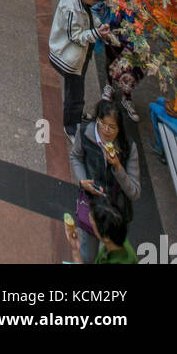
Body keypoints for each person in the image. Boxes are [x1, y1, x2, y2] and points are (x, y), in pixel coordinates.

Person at [69, 99, 141, 263]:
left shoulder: (128, 148)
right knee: (88, 254)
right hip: (92, 207)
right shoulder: (84, 133)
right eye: (102, 123)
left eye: (112, 127)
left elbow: (134, 192)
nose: (106, 130)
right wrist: (82, 181)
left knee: (112, 254)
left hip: (116, 215)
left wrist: (117, 167)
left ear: (119, 128)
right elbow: (76, 156)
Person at [48, 0, 105, 137]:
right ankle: (71, 126)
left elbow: (87, 18)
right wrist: (97, 33)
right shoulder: (72, 8)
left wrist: (98, 25)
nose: (95, 2)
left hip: (79, 56)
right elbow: (75, 36)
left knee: (77, 91)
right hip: (70, 58)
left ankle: (76, 115)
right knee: (74, 93)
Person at [65, 198, 138, 266]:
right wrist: (75, 247)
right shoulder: (117, 239)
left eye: (92, 224)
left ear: (106, 237)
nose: (90, 224)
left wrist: (75, 252)